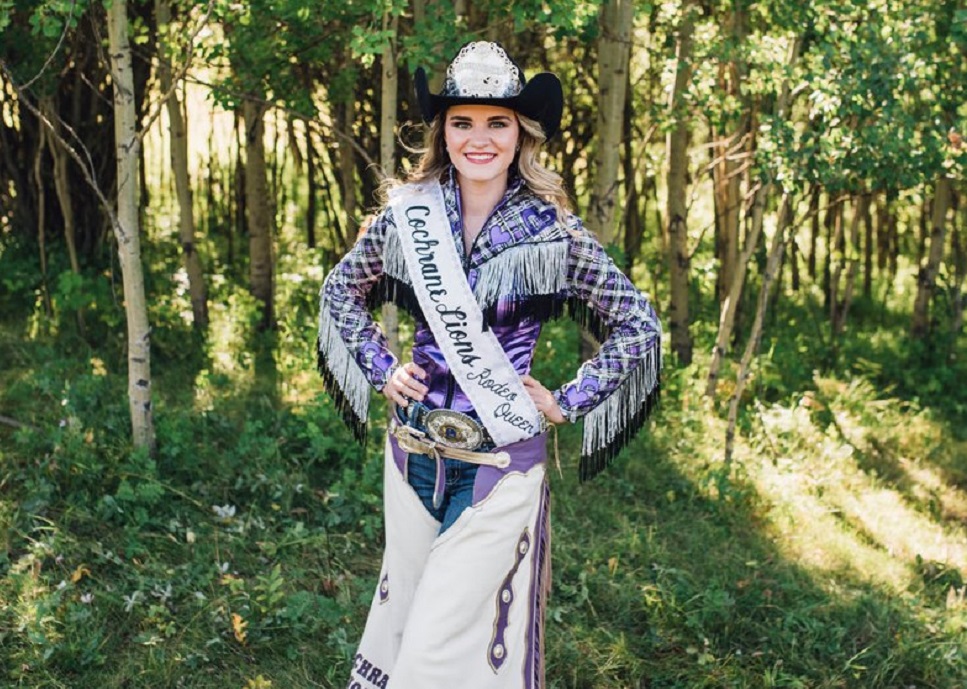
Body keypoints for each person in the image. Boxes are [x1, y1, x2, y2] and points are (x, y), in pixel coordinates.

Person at [317, 40, 662, 689]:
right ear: (442, 131)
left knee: (429, 653)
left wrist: (568, 398)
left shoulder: (550, 230)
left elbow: (638, 323)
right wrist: (378, 364)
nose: (479, 138)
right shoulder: (407, 216)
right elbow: (339, 291)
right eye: (462, 121)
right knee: (405, 626)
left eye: (496, 122)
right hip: (413, 454)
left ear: (520, 133)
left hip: (500, 465)